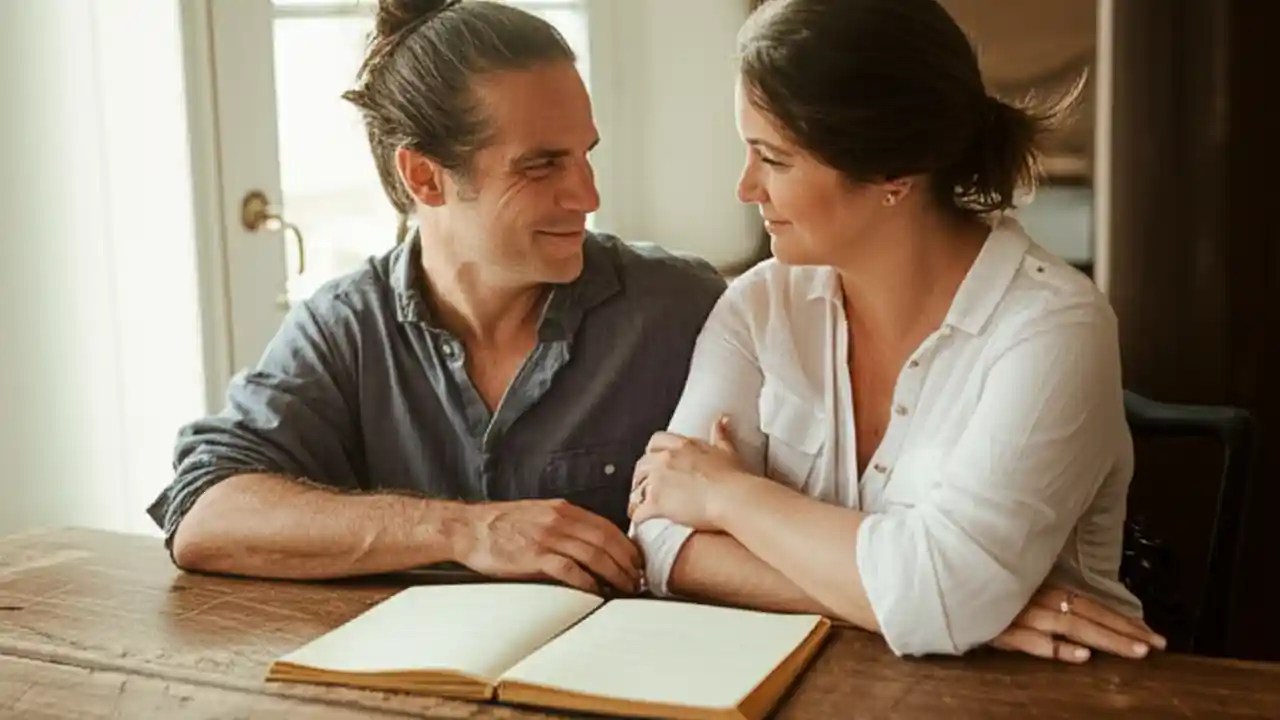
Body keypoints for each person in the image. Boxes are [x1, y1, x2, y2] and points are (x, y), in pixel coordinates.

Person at [629, 0, 1167, 663]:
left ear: (892, 174)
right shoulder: (759, 305)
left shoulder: (1053, 330)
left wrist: (728, 494)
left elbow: (943, 599)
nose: (746, 187)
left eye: (773, 158)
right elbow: (658, 536)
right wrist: (938, 609)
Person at [146, 0, 725, 596]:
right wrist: (464, 531)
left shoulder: (682, 310)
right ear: (424, 177)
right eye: (542, 165)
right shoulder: (345, 328)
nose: (587, 193)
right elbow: (204, 513)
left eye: (585, 155)